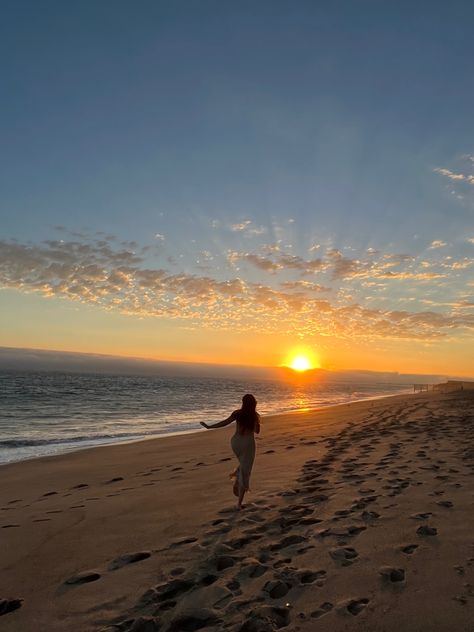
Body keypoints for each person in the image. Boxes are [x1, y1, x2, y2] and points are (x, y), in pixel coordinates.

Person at [200, 394, 260, 509]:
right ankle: (239, 503)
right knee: (246, 471)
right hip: (248, 444)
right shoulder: (254, 415)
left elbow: (225, 422)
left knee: (243, 466)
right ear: (254, 403)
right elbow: (257, 432)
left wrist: (209, 426)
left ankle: (238, 476)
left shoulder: (237, 413)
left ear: (243, 402)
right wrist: (255, 421)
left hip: (236, 443)